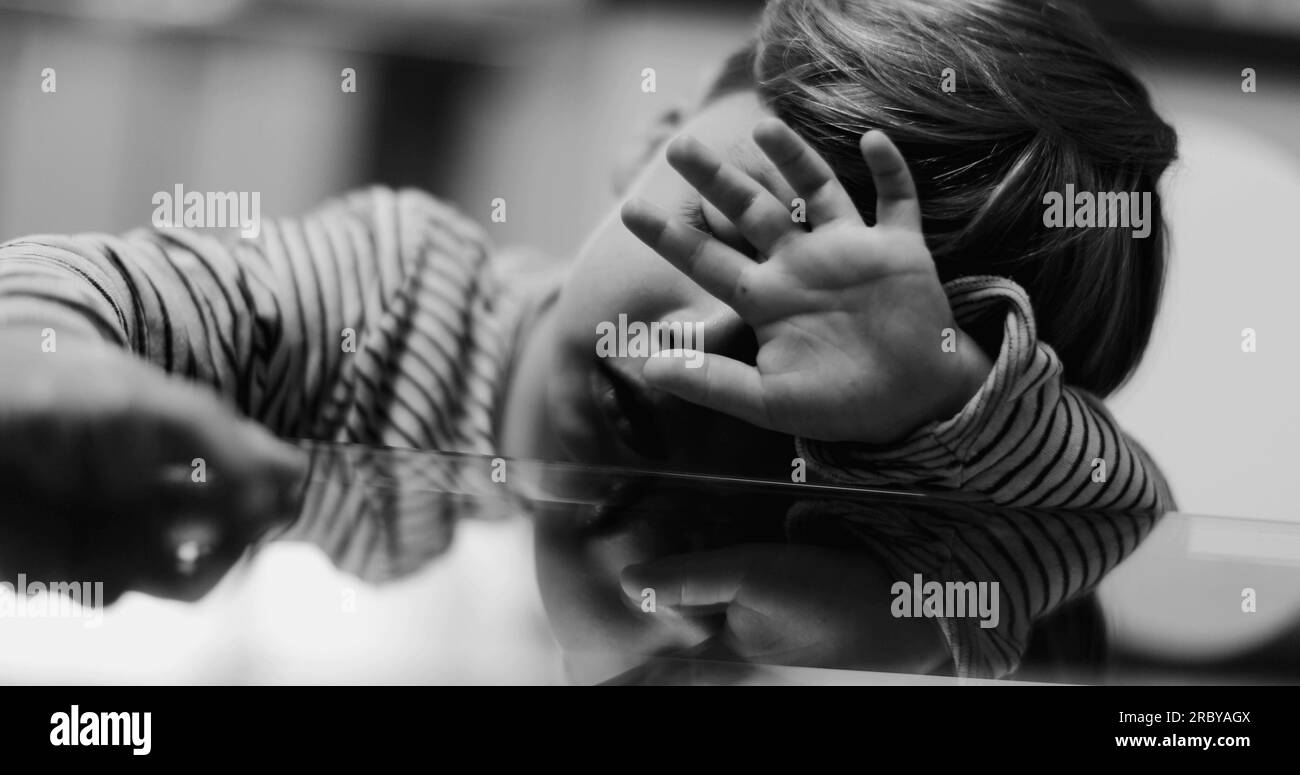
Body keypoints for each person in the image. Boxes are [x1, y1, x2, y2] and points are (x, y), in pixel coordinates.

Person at [0, 0, 1176, 595]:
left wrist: (936, 405)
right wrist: (53, 366)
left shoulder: (878, 526)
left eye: (835, 359)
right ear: (655, 137)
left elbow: (1115, 512)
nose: (700, 344)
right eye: (737, 232)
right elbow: (105, 291)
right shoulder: (405, 292)